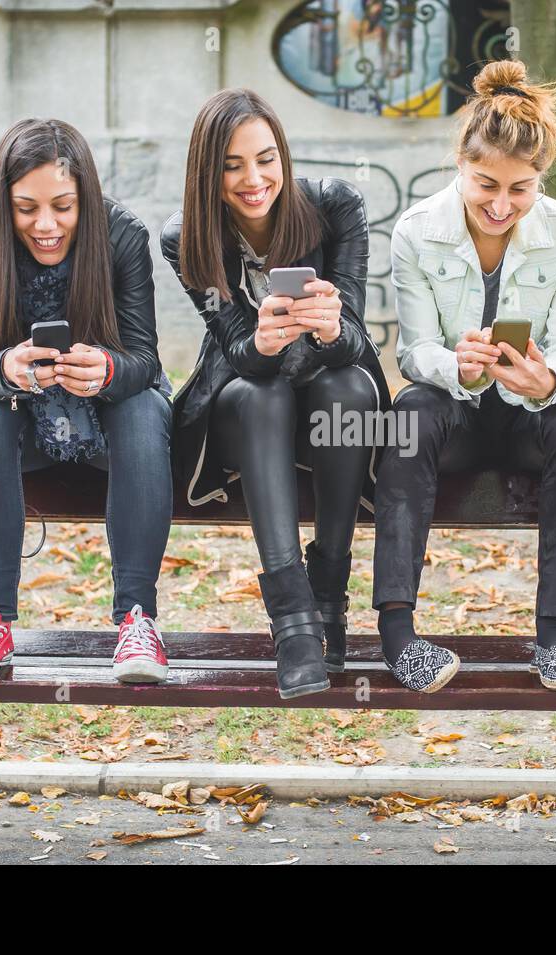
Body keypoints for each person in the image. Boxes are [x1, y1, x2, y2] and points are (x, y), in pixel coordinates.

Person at [371, 60, 556, 693]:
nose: (502, 205)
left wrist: (548, 380)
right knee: (411, 413)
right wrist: (458, 366)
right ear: (461, 167)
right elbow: (414, 351)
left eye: (520, 189)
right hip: (457, 412)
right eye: (486, 184)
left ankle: (555, 639)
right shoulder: (418, 231)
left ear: (540, 180)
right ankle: (399, 634)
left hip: (531, 414)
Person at [160, 89, 391, 700]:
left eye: (265, 159)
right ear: (207, 174)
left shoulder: (335, 207)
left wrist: (331, 327)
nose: (253, 179)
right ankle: (293, 624)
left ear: (283, 156)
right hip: (248, 410)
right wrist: (262, 342)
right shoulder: (186, 237)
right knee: (262, 394)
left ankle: (329, 599)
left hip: (329, 402)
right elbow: (234, 354)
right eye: (232, 165)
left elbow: (356, 342)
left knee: (345, 385)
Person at [0, 118, 173, 685]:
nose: (45, 225)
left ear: (86, 200)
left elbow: (145, 359)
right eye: (26, 208)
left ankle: (137, 620)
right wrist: (6, 368)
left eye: (63, 206)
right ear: (5, 203)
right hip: (25, 424)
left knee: (144, 407)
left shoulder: (122, 234)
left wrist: (107, 369)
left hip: (116, 421)